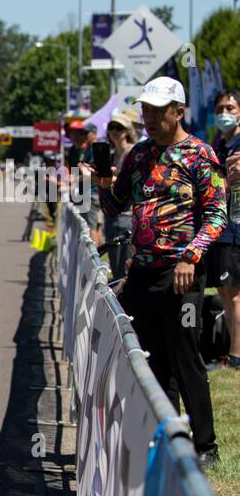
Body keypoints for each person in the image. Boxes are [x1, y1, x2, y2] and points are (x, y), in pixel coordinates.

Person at [97, 76, 227, 467]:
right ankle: (170, 438)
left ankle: (205, 445)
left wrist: (192, 256)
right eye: (146, 111)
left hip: (182, 273)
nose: (150, 118)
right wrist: (103, 181)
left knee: (186, 356)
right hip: (142, 273)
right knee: (153, 360)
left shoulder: (200, 155)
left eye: (158, 111)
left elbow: (218, 212)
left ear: (178, 112)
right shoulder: (138, 156)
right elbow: (114, 206)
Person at [205, 91, 240, 368]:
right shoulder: (221, 144)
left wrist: (224, 184)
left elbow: (229, 184)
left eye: (230, 107)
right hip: (221, 227)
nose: (224, 112)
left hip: (236, 229)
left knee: (235, 294)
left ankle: (236, 356)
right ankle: (230, 350)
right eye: (220, 108)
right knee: (224, 292)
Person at [101, 111, 139, 281]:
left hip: (129, 215)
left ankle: (124, 304)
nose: (115, 131)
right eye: (112, 127)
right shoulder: (109, 155)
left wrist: (115, 180)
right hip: (111, 214)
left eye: (119, 127)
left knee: (125, 266)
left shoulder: (134, 153)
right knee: (115, 265)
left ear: (127, 131)